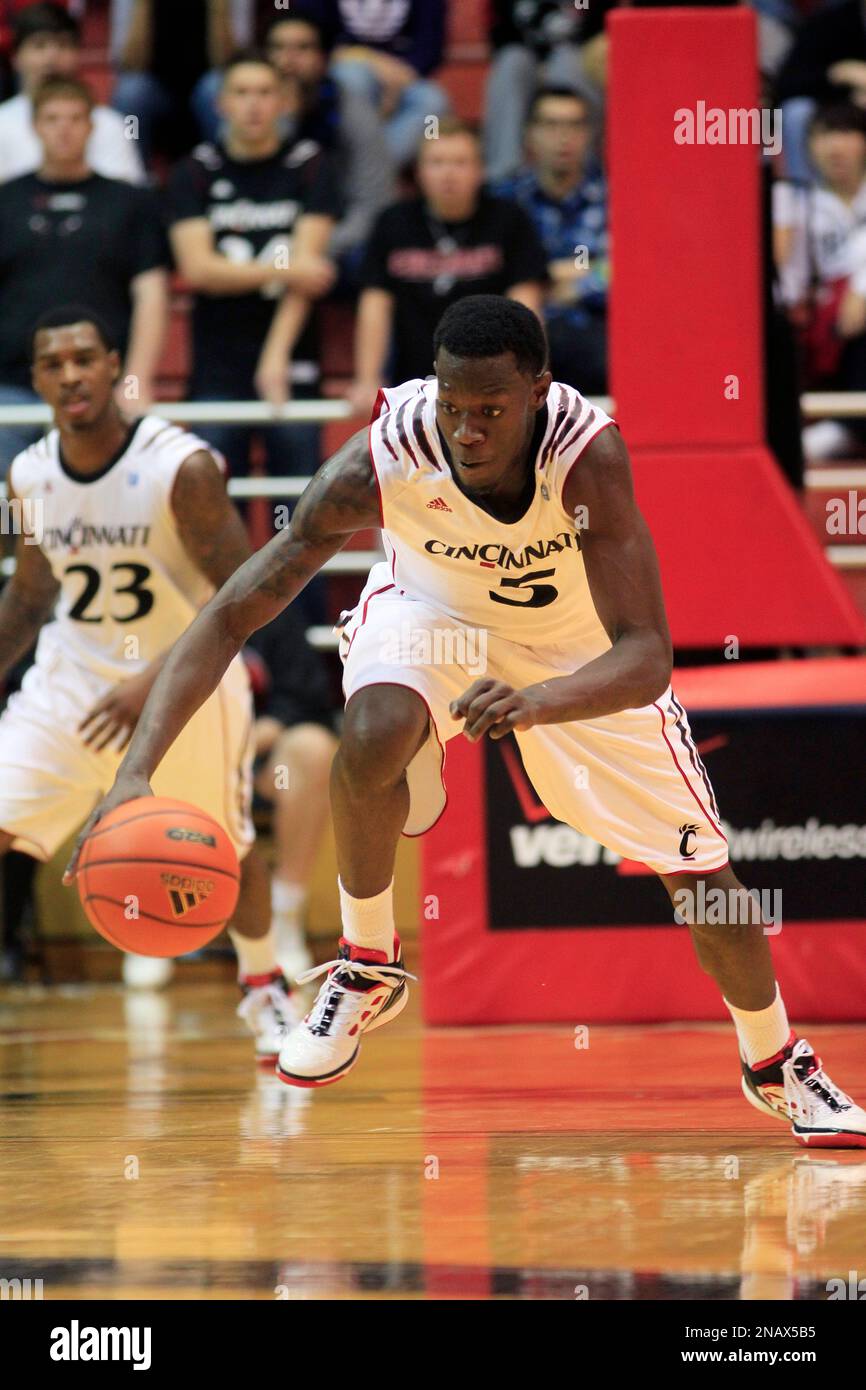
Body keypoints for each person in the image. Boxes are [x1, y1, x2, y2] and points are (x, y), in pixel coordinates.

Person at [69, 295, 866, 1145]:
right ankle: (369, 961)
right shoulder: (382, 459)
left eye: (491, 411)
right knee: (370, 730)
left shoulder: (588, 458)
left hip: (572, 655)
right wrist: (133, 774)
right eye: (454, 408)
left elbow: (646, 656)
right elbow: (232, 613)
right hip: (428, 615)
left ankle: (774, 1061)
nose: (468, 431)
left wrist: (538, 705)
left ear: (539, 392)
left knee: (704, 879)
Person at [0, 306, 299, 1053]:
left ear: (112, 366)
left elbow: (243, 593)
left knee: (226, 847)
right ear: (36, 379)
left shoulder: (181, 467)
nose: (70, 375)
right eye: (52, 363)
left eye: (83, 359)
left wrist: (147, 683)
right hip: (70, 684)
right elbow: (32, 595)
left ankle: (263, 987)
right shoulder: (28, 472)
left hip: (185, 682)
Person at [165, 50, 339, 517]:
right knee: (217, 514)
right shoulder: (195, 171)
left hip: (292, 359)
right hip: (216, 364)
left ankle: (301, 597)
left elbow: (312, 275)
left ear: (284, 101)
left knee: (303, 518)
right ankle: (229, 596)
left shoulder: (310, 165)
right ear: (221, 103)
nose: (254, 104)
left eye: (265, 93)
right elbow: (198, 270)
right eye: (242, 93)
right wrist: (285, 270)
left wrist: (275, 357)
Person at [0, 75, 168, 475]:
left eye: (75, 119)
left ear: (93, 127)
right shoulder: (5, 201)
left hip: (99, 390)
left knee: (97, 512)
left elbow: (152, 293)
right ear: (35, 126)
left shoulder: (130, 203)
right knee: (13, 516)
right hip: (12, 385)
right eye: (53, 119)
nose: (64, 129)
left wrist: (137, 379)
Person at [350, 117, 547, 418]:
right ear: (418, 172)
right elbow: (375, 303)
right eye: (437, 162)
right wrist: (367, 378)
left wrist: (530, 376)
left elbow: (527, 305)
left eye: (460, 162)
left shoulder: (509, 220)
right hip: (413, 387)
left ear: (480, 169)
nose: (448, 173)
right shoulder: (393, 222)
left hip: (492, 386)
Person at [243, 602, 339, 979]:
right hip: (188, 758)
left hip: (257, 759)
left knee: (313, 749)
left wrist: (242, 744)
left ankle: (285, 913)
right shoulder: (164, 612)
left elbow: (304, 700)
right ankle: (154, 922)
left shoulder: (268, 605)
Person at [263, 11, 394, 284]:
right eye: (278, 48)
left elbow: (373, 203)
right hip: (262, 235)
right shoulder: (249, 115)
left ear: (323, 58)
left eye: (303, 48)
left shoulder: (352, 112)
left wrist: (311, 250)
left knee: (369, 257)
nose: (289, 59)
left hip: (334, 239)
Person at [493, 86, 608, 394]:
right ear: (530, 134)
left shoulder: (618, 198)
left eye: (574, 125)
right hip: (519, 336)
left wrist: (544, 279)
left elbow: (624, 273)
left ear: (589, 134)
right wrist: (578, 273)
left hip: (600, 334)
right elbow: (495, 277)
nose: (563, 137)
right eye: (552, 125)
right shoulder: (504, 201)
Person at [774, 102, 866, 457]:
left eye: (847, 133)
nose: (835, 147)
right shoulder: (798, 204)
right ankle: (834, 431)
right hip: (823, 336)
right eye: (824, 135)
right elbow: (789, 285)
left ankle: (843, 430)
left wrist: (860, 286)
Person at [0, 2, 144, 184]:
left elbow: (129, 201)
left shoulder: (114, 124)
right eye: (39, 45)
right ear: (15, 57)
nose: (51, 57)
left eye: (63, 45)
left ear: (79, 54)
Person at [304, 0, 451, 169]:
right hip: (345, 67)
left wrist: (396, 81)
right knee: (352, 77)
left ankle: (369, 172)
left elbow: (430, 49)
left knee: (433, 101)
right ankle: (368, 172)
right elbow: (314, 37)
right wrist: (369, 58)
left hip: (405, 76)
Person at [109, 0, 244, 164]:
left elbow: (236, 64)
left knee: (217, 88)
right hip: (156, 93)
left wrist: (218, 10)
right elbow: (126, 63)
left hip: (206, 92)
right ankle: (132, 174)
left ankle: (225, 171)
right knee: (130, 93)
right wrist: (142, 8)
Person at [483, 0, 599, 184]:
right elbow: (500, 31)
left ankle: (586, 176)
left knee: (567, 65)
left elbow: (599, 25)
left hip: (576, 57)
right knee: (511, 62)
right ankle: (502, 177)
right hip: (525, 58)